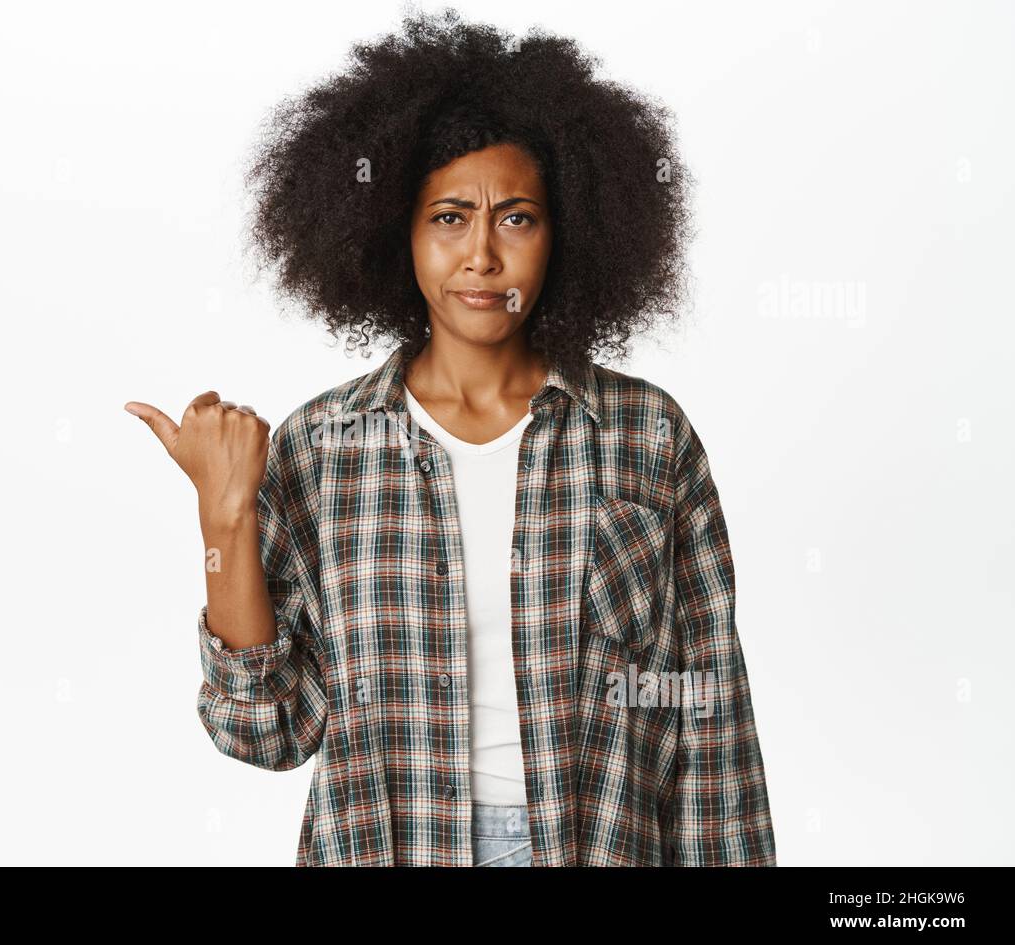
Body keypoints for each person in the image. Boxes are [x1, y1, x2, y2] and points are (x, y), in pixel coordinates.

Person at [125, 9, 776, 867]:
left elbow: (708, 714)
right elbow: (269, 730)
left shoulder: (647, 438)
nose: (481, 256)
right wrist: (224, 517)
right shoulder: (324, 448)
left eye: (515, 218)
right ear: (398, 233)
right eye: (447, 218)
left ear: (566, 232)